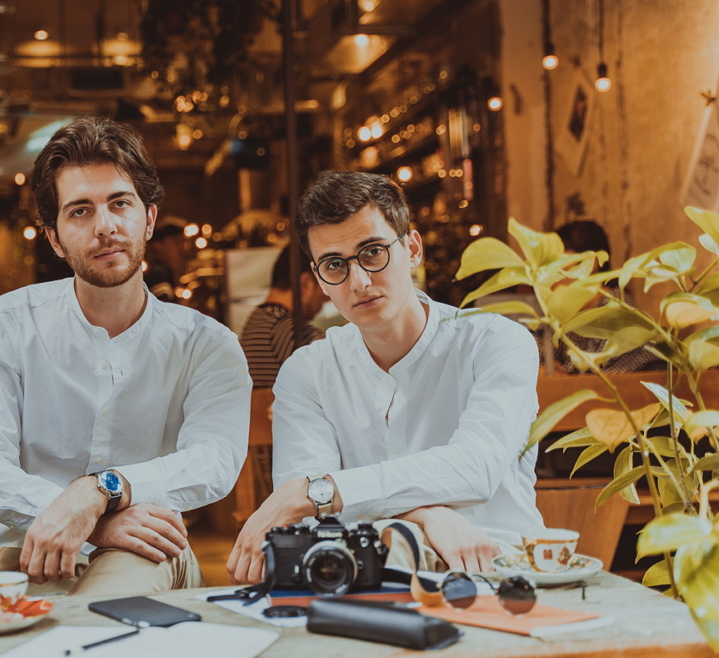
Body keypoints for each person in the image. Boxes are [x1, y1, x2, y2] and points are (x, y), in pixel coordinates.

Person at [0, 116, 251, 597]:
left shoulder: (206, 343)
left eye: (120, 204)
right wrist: (86, 520)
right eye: (80, 211)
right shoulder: (3, 325)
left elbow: (213, 462)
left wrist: (101, 490)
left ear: (148, 218)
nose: (105, 227)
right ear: (53, 238)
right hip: (28, 545)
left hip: (148, 550)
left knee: (100, 614)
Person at [227, 171, 545, 585]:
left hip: (503, 574)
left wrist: (325, 493)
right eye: (334, 264)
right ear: (319, 278)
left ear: (412, 249)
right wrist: (425, 514)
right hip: (369, 585)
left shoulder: (496, 341)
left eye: (373, 252)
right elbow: (302, 516)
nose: (358, 281)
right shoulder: (307, 372)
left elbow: (476, 467)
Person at [551, 220, 664, 374]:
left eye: (557, 263)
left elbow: (605, 385)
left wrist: (555, 374)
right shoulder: (560, 312)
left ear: (591, 263)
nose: (547, 273)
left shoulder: (619, 312)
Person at [240, 245, 329, 389]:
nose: (326, 299)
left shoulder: (259, 319)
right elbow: (340, 379)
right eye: (324, 287)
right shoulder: (288, 330)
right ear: (305, 283)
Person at [143, 218, 189, 302]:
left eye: (184, 242)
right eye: (176, 242)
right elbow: (162, 313)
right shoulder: (158, 275)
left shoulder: (162, 273)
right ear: (157, 245)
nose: (183, 248)